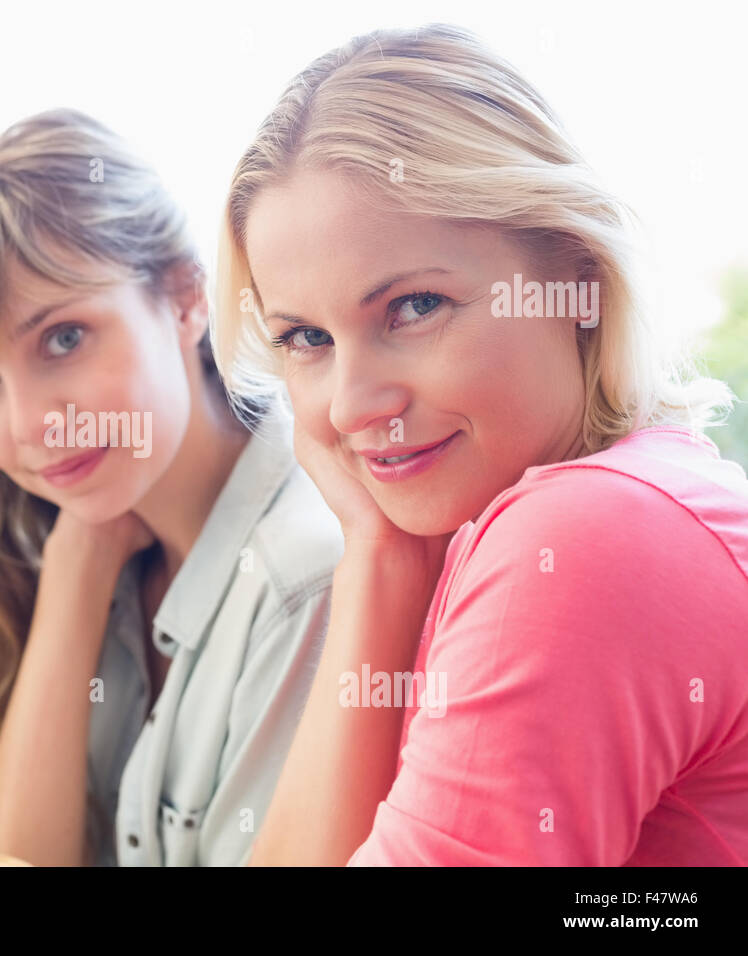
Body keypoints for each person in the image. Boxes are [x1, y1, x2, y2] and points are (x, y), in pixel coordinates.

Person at [212, 23, 748, 865]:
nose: (355, 405)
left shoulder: (584, 536)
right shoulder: (576, 513)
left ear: (575, 280)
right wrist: (380, 558)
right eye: (306, 338)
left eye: (415, 307)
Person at [0, 108, 343, 865]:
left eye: (63, 339)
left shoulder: (302, 578)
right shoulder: (95, 538)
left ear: (187, 297)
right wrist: (76, 572)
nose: (31, 425)